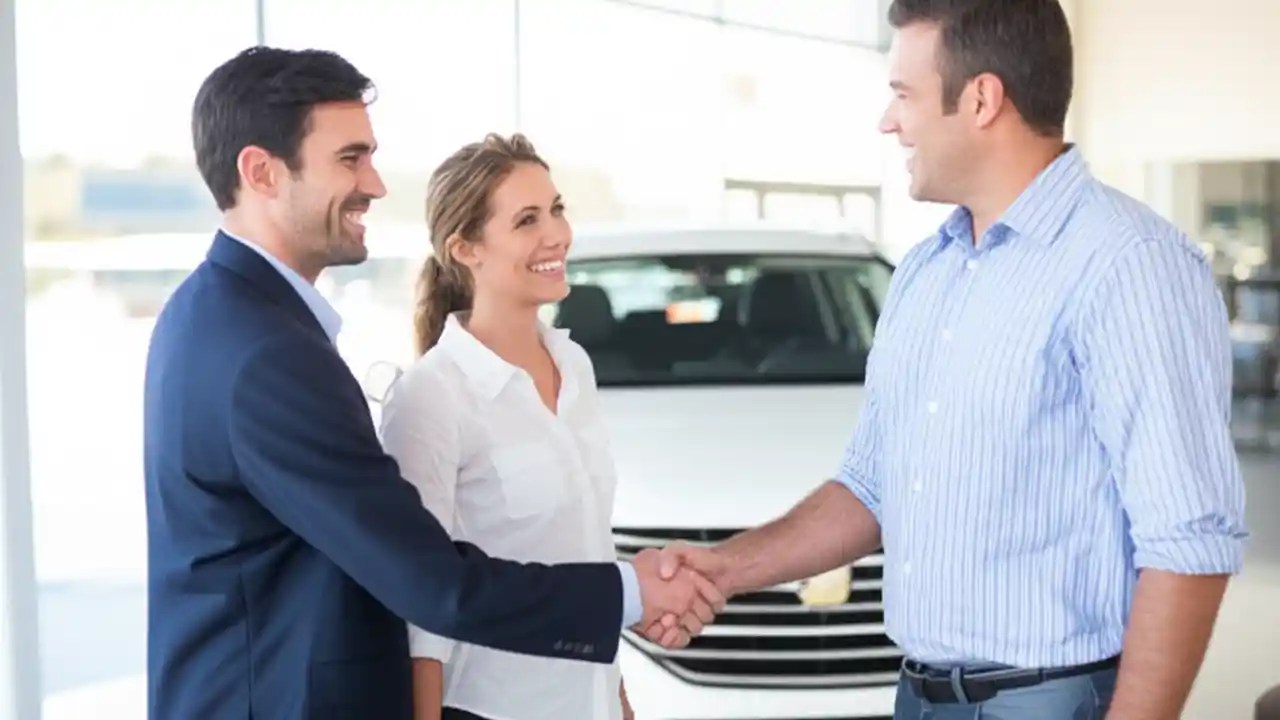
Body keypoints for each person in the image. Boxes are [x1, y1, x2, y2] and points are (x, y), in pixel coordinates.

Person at [652, 1, 1249, 718]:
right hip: (920, 695)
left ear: (981, 99)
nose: (888, 121)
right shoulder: (926, 271)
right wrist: (727, 566)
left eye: (903, 93)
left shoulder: (1129, 264)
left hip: (1051, 700)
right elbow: (872, 487)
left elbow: (1188, 539)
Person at [144, 47, 721, 720]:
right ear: (261, 172)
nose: (377, 184)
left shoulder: (224, 318)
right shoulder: (265, 353)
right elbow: (432, 586)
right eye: (349, 158)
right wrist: (632, 593)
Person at [378, 133, 660, 720]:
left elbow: (587, 553)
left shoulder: (573, 365)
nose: (556, 234)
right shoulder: (432, 396)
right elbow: (418, 613)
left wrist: (619, 700)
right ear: (465, 248)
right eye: (526, 220)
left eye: (556, 209)